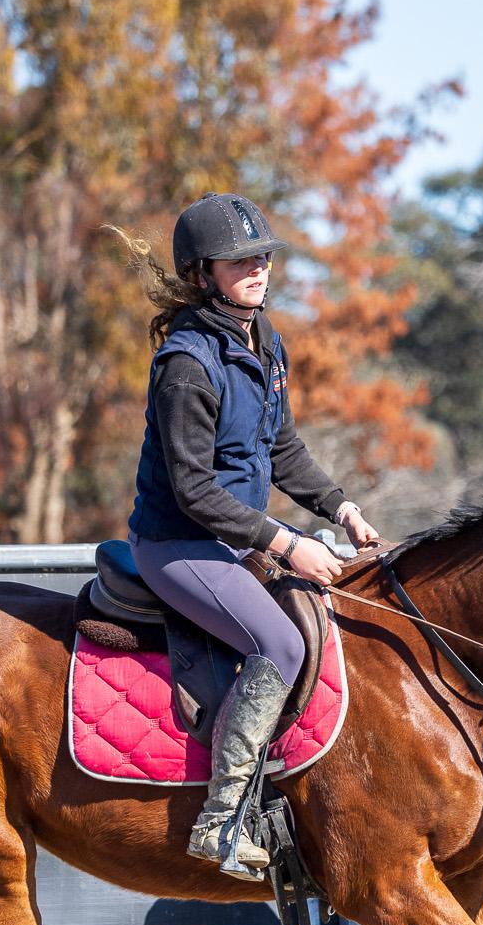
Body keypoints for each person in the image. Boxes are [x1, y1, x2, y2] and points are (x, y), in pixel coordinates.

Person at [111, 192, 381, 878]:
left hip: (236, 536)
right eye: (241, 260)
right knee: (282, 641)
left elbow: (281, 450)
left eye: (262, 255)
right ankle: (222, 820)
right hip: (178, 543)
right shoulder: (186, 364)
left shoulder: (266, 340)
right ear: (204, 273)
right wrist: (288, 544)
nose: (258, 268)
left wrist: (341, 508)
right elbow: (195, 492)